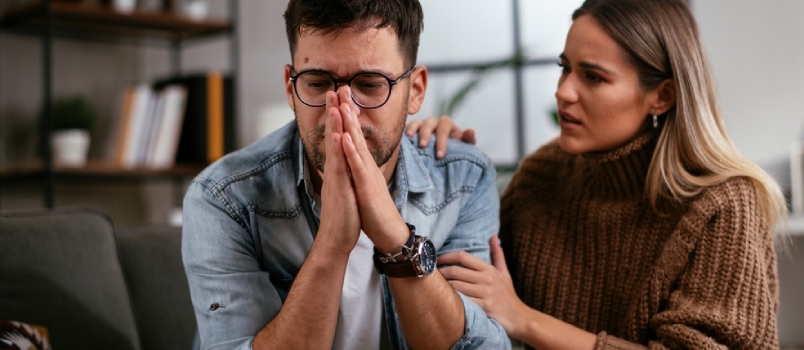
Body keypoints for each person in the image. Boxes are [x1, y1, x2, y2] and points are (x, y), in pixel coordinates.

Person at [408, 0, 787, 348]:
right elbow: (469, 289)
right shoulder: (543, 175)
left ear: (663, 95)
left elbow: (507, 309)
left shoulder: (723, 205)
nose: (564, 92)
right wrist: (450, 165)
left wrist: (526, 320)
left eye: (592, 77)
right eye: (565, 68)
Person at [181, 1, 510, 349]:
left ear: (414, 90)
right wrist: (332, 244)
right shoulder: (223, 197)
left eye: (370, 84)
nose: (342, 112)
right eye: (318, 82)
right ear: (291, 88)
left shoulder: (463, 178)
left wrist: (396, 239)